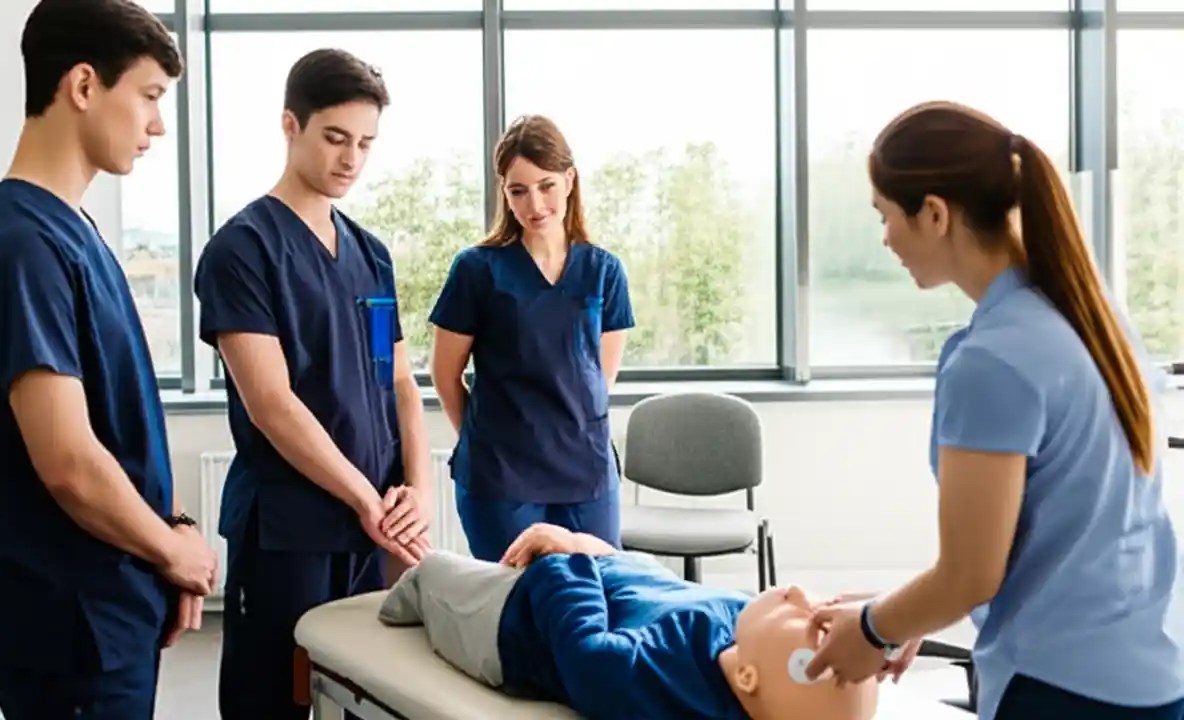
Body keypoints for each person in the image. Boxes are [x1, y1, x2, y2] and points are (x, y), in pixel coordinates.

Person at [805, 101, 1184, 720]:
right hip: (1150, 676)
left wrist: (872, 628)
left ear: (933, 213)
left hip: (1065, 690)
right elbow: (1054, 541)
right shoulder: (1091, 320)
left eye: (885, 216)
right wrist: (902, 612)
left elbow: (969, 576)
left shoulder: (993, 360)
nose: (885, 239)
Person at [0, 2, 218, 718]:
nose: (158, 124)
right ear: (85, 86)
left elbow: (125, 423)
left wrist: (177, 534)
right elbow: (67, 459)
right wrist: (170, 549)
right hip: (70, 630)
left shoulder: (73, 231)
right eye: (151, 96)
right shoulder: (21, 249)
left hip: (111, 615)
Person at [194, 47, 433, 720]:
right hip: (288, 532)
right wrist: (367, 501)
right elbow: (270, 404)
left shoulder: (371, 255)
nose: (351, 158)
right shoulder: (241, 250)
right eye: (335, 138)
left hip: (373, 528)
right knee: (274, 699)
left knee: (364, 699)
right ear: (289, 125)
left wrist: (415, 490)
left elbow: (399, 385)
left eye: (365, 143)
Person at [378, 522, 885, 720]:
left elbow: (588, 656)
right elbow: (668, 592)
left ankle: (415, 589)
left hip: (520, 619)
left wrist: (568, 562)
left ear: (749, 678)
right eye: (819, 608)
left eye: (802, 620)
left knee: (437, 574)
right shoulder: (746, 631)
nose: (798, 593)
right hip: (626, 583)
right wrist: (594, 551)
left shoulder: (664, 680)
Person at [428, 114, 635, 562]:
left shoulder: (604, 271)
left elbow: (600, 378)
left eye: (546, 186)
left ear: (569, 180)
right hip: (501, 477)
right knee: (515, 606)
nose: (534, 204)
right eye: (517, 191)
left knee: (601, 596)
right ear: (503, 192)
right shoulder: (477, 270)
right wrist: (485, 442)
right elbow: (444, 374)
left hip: (587, 472)